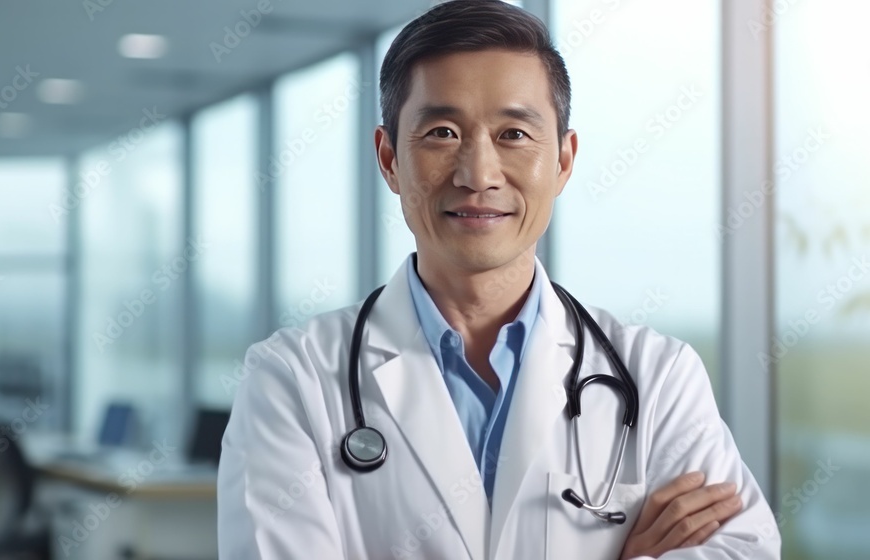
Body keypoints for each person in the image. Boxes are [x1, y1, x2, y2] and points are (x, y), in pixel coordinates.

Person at [217, 1, 780, 558]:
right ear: (389, 159)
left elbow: (743, 548)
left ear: (563, 160)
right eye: (441, 132)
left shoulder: (656, 377)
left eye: (513, 134)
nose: (478, 174)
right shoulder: (293, 379)